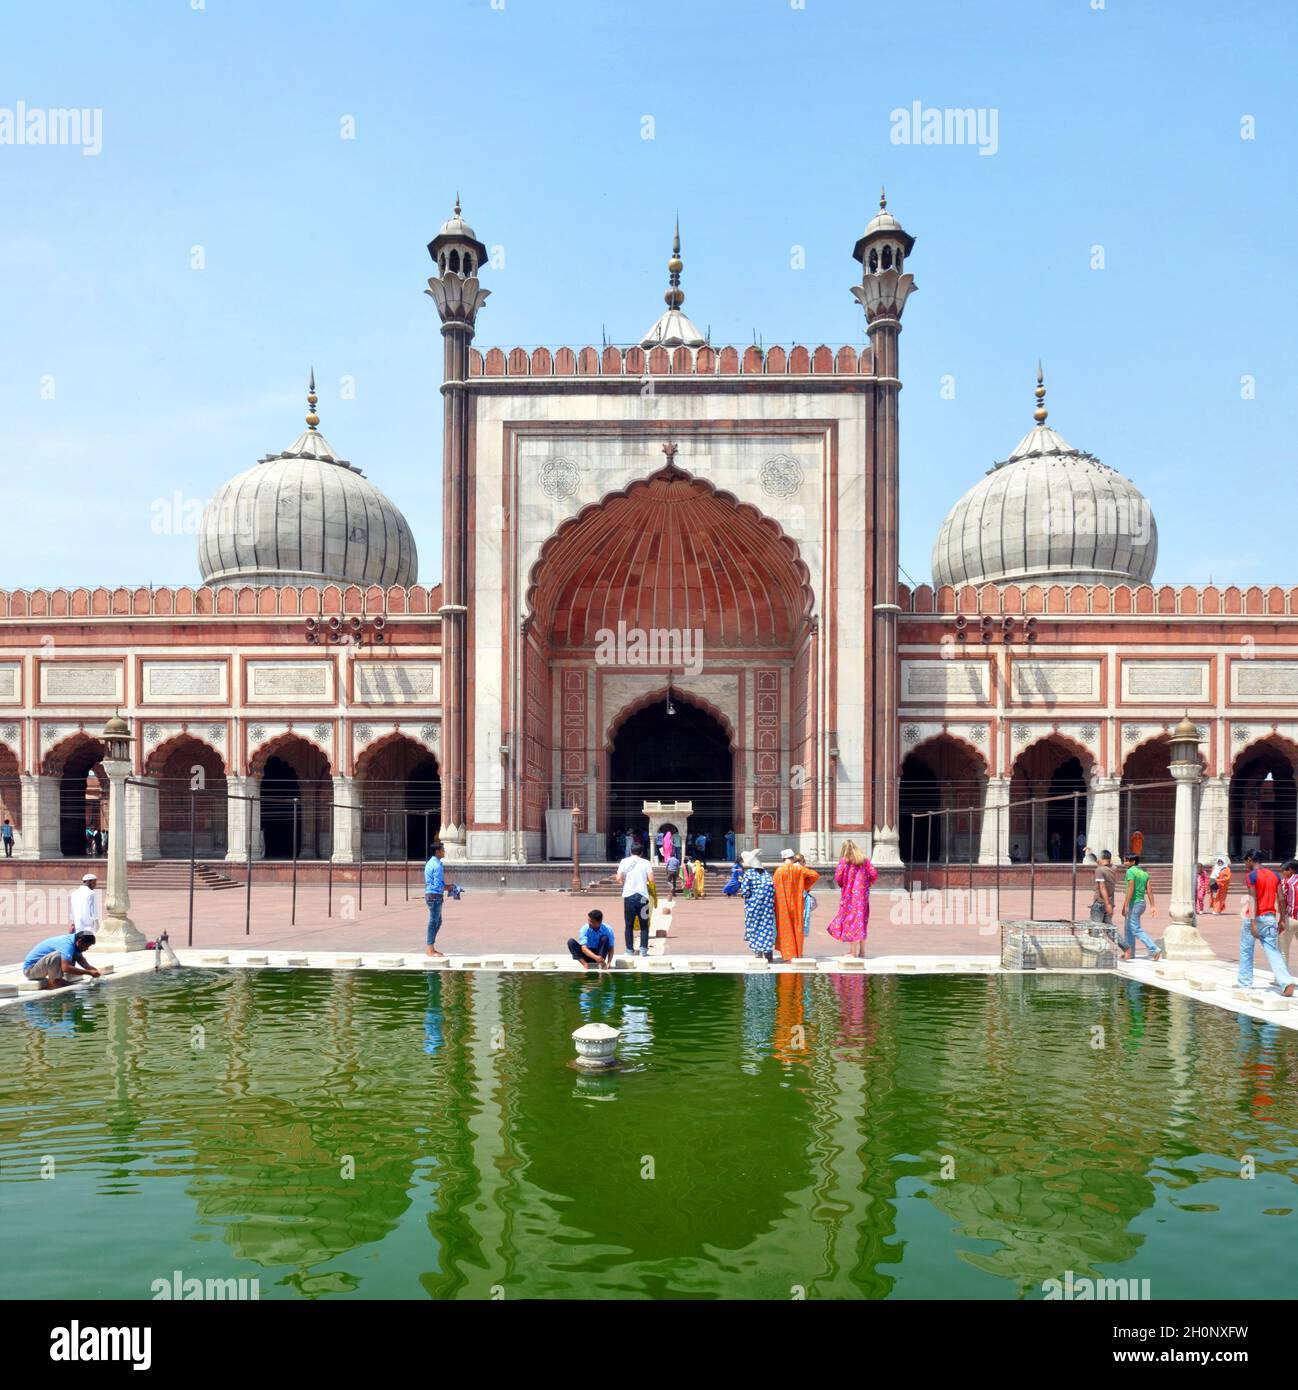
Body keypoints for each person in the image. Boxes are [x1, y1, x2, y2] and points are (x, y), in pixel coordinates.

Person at [1238, 851, 1296, 996]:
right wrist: (1282, 919)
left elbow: (1252, 899)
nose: (1245, 864)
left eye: (1246, 861)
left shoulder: (1251, 876)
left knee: (1246, 950)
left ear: (1251, 860)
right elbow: (1281, 898)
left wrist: (1252, 923)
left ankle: (1245, 984)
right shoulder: (1275, 875)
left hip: (1255, 917)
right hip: (1270, 917)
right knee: (1273, 951)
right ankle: (1285, 980)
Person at [826, 839, 878, 959]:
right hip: (863, 896)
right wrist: (868, 883)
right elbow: (874, 873)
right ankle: (862, 952)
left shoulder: (844, 862)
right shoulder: (864, 860)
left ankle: (853, 952)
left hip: (849, 896)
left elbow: (838, 877)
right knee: (861, 921)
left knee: (851, 921)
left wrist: (843, 884)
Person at [773, 850, 819, 961]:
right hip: (797, 902)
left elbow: (774, 887)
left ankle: (788, 955)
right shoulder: (799, 869)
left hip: (782, 903)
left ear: (783, 858)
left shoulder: (779, 871)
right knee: (797, 927)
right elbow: (815, 875)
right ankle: (798, 953)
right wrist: (804, 887)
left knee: (785, 928)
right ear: (793, 858)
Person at [22, 929, 100, 990]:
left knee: (73, 956)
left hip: (40, 968)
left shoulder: (75, 942)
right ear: (79, 942)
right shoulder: (67, 944)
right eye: (86, 946)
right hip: (30, 971)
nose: (87, 949)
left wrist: (94, 970)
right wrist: (88, 972)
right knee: (58, 955)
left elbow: (80, 959)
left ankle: (57, 979)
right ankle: (53, 982)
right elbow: (65, 968)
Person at [1119, 853, 1161, 961]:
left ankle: (1154, 949)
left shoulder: (1130, 871)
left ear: (1133, 862)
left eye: (1127, 861)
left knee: (1135, 928)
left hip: (1134, 903)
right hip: (1142, 903)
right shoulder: (1144, 873)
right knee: (1129, 928)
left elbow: (1131, 888)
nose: (1124, 863)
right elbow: (1150, 891)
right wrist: (1153, 905)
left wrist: (1125, 904)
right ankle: (1130, 952)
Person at [616, 841, 654, 957]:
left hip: (629, 896)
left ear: (630, 851)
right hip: (643, 897)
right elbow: (651, 879)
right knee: (644, 925)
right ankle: (643, 950)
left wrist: (624, 881)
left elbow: (619, 878)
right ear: (642, 852)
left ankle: (629, 950)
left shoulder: (624, 861)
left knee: (629, 925)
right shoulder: (646, 863)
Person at [739, 849, 776, 962]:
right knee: (766, 927)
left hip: (753, 907)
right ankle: (768, 953)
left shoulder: (749, 874)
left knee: (754, 927)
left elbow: (745, 892)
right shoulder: (767, 874)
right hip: (767, 908)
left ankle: (758, 952)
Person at [423, 843, 457, 959]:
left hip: (431, 895)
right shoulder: (437, 866)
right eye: (443, 850)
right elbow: (438, 885)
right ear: (437, 852)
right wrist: (451, 887)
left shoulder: (430, 863)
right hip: (435, 896)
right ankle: (430, 948)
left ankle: (431, 946)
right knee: (433, 922)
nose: (444, 852)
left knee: (438, 921)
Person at [1279, 860, 1298, 969]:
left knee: (1283, 950)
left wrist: (1281, 919)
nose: (1283, 874)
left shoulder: (1286, 882)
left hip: (1290, 919)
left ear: (1290, 870)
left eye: (1283, 871)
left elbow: (1282, 900)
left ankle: (1283, 978)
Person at [1091, 849, 1117, 928]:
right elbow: (1111, 865)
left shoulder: (1099, 870)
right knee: (1108, 927)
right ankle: (1113, 940)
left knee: (1096, 927)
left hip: (1101, 902)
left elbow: (1102, 887)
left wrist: (1107, 904)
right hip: (1110, 901)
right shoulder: (1113, 868)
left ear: (1101, 858)